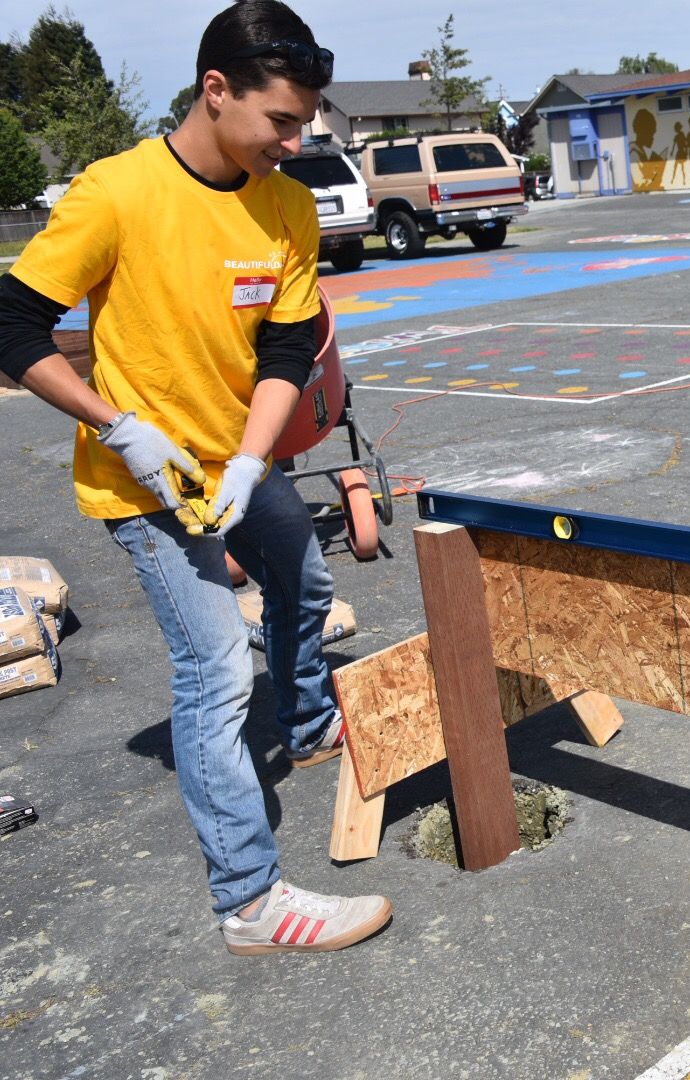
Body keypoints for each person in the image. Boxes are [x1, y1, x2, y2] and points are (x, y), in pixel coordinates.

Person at [0, 1, 391, 955]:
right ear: (216, 91)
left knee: (303, 581)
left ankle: (304, 726)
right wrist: (119, 425)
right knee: (215, 670)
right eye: (281, 123)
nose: (294, 144)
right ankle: (250, 903)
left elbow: (291, 344)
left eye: (304, 125)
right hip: (149, 482)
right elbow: (10, 328)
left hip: (236, 458)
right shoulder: (116, 194)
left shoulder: (286, 204)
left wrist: (256, 457)